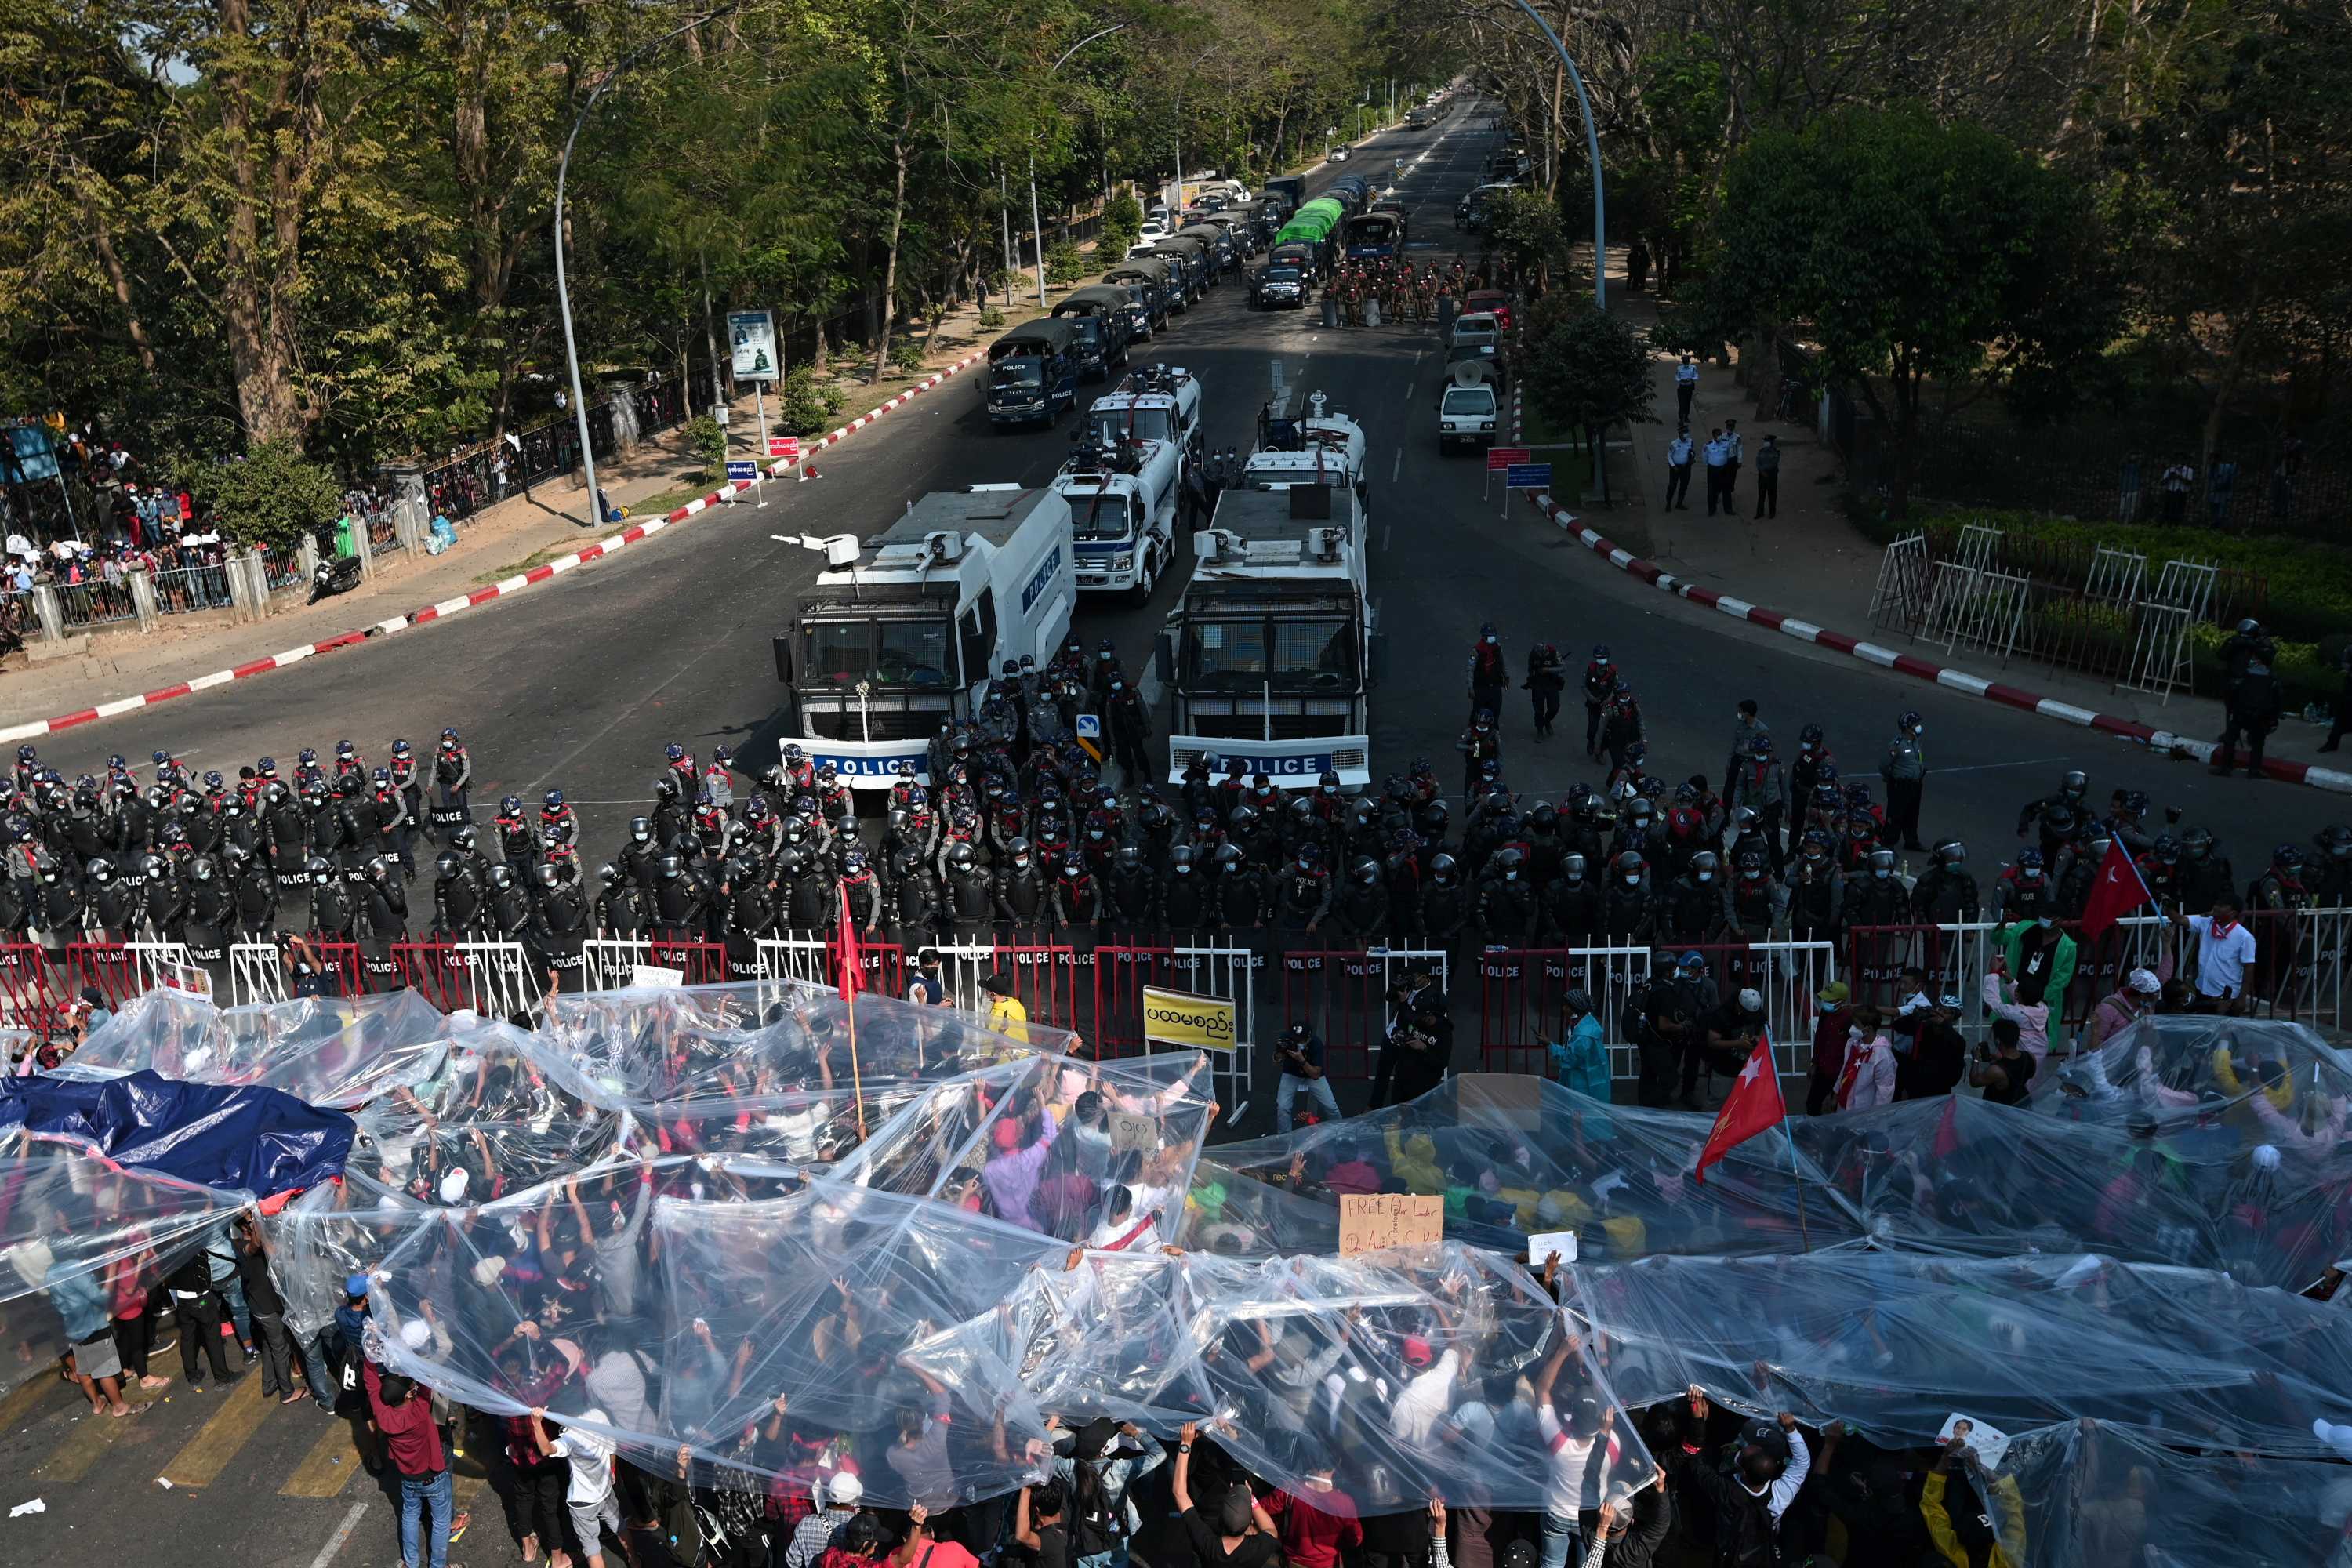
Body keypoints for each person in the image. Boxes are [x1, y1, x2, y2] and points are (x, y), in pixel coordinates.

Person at [1668, 1388, 1813, 1568]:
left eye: (1742, 1453)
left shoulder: (1727, 1491)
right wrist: (1791, 1430)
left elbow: (1697, 1464)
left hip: (1727, 1549)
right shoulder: (1781, 1495)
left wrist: (1699, 1422)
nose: (1744, 1447)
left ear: (1742, 1472)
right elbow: (1802, 1463)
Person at [372, 1363, 461, 1568]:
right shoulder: (419, 1412)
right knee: (440, 1522)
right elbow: (426, 1383)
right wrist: (414, 1358)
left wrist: (370, 1360)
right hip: (433, 1478)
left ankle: (411, 1563)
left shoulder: (383, 1416)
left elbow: (371, 1383)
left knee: (409, 1516)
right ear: (408, 1396)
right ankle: (437, 1565)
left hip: (408, 1479)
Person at [1171, 1422, 1278, 1568]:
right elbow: (1271, 1530)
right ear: (1250, 1523)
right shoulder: (1259, 1549)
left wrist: (1185, 1444)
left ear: (1221, 1518)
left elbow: (1180, 1493)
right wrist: (1250, 1499)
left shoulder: (1206, 1543)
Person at [532, 1406, 622, 1568]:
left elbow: (546, 1450)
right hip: (605, 1490)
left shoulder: (571, 1436)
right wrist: (612, 1471)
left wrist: (537, 1424)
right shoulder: (600, 1415)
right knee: (619, 1526)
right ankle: (635, 1560)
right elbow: (611, 1449)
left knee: (592, 1549)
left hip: (583, 1502)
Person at [2175, 900, 2257, 1011]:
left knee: (2223, 1028)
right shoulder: (2206, 923)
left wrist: (2242, 999)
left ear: (2232, 913)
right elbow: (2180, 919)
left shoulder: (2245, 937)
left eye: (2222, 905)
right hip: (2202, 990)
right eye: (2216, 904)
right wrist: (2169, 907)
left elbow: (2249, 968)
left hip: (2225, 998)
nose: (2216, 907)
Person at [1275, 1022, 1340, 1131]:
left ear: (1308, 1039)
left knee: (1331, 1107)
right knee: (1283, 1107)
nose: (1296, 1042)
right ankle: (1284, 1137)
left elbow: (1315, 1074)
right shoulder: (1285, 1039)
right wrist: (1278, 1055)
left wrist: (1301, 1060)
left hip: (1311, 1073)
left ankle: (1340, 1131)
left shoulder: (1316, 1044)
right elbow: (1276, 1060)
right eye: (1294, 1039)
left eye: (1300, 1040)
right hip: (1292, 1072)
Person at [1546, 988, 1609, 1101]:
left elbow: (1569, 1059)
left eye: (1566, 1006)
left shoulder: (1583, 1036)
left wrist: (1550, 1046)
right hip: (1584, 1081)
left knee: (1581, 1116)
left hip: (1583, 1086)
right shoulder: (1584, 1023)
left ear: (1574, 1008)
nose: (1563, 1008)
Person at [1879, 710, 1928, 851]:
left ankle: (1911, 841)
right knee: (1896, 815)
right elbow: (1884, 764)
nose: (1919, 726)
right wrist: (1890, 778)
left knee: (1912, 814)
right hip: (1900, 785)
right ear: (1907, 727)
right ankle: (1889, 842)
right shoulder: (1897, 745)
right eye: (1916, 724)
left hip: (1915, 784)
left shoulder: (1915, 742)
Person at [1806, 980, 1853, 1116]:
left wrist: (1836, 1093)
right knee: (1812, 1103)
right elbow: (1820, 1038)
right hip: (1822, 1068)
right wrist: (1814, 1063)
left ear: (1840, 1001)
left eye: (1829, 1000)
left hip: (1839, 1073)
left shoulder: (1850, 1019)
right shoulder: (1825, 1013)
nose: (1825, 1002)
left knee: (1835, 1109)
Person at [1835, 1007, 1896, 1112]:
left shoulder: (1882, 1056)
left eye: (1856, 1025)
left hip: (1864, 1111)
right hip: (1844, 1104)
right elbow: (1845, 1069)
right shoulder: (1852, 1043)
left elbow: (1885, 1092)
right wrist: (1836, 1093)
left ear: (1868, 1028)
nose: (1852, 1028)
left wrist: (1873, 1117)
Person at [1970, 1018, 2037, 1106]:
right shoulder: (2030, 1057)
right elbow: (2028, 1074)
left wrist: (1976, 1059)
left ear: (1998, 1041)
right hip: (2019, 1106)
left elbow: (1974, 1082)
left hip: (1997, 1111)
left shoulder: (1996, 1071)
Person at [1663, 428, 1693, 510]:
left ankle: (1679, 503)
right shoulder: (1674, 443)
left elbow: (1691, 452)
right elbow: (1669, 455)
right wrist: (1673, 466)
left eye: (1687, 433)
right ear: (1680, 434)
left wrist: (1692, 459)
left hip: (1686, 467)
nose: (1686, 435)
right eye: (1684, 433)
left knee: (1684, 486)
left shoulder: (1690, 441)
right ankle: (1668, 503)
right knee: (1672, 486)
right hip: (1675, 468)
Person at [1753, 434, 1780, 518]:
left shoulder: (1776, 452)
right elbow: (1757, 462)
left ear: (1771, 442)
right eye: (1765, 441)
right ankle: (1759, 513)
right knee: (1761, 495)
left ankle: (1772, 513)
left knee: (1772, 494)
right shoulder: (1761, 451)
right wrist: (1762, 471)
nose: (1766, 443)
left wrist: (1764, 470)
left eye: (1767, 441)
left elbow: (1774, 463)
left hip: (1771, 475)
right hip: (1762, 475)